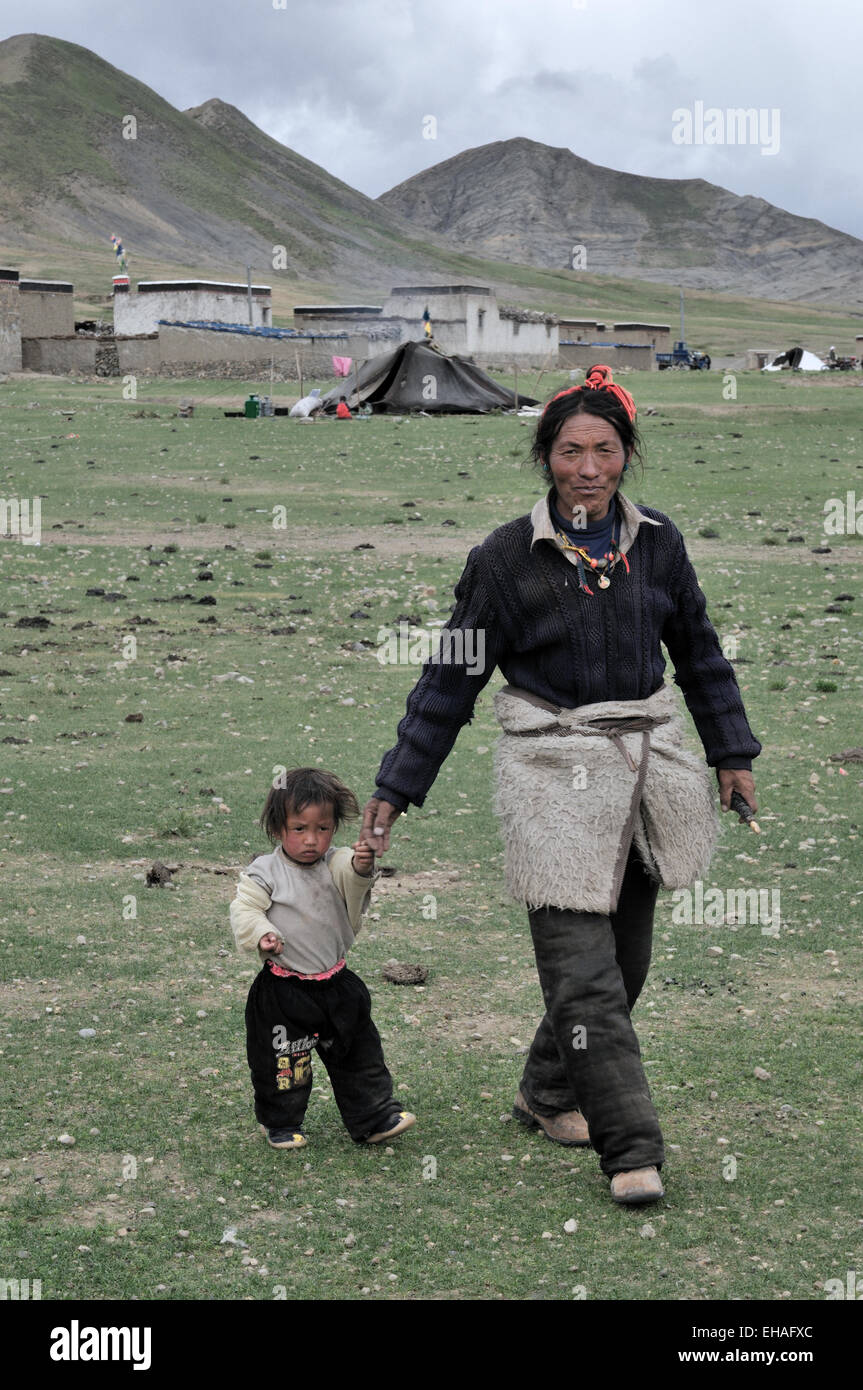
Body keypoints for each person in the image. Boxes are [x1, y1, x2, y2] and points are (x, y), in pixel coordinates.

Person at [361, 364, 760, 1206]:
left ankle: (545, 1090)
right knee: (582, 975)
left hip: (643, 769)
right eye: (570, 450)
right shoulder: (505, 560)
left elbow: (698, 653)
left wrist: (731, 753)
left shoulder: (658, 543)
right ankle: (630, 1152)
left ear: (626, 454)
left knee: (625, 964)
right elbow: (449, 680)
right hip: (549, 772)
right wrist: (396, 787)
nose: (588, 468)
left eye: (604, 450)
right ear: (545, 457)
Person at [230, 767, 415, 1150]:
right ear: (278, 828)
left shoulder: (336, 862)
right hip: (283, 991)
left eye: (323, 828)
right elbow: (245, 907)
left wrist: (363, 864)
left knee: (359, 1052)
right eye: (300, 829)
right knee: (284, 1062)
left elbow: (354, 874)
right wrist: (262, 933)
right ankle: (280, 1123)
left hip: (337, 985)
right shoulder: (265, 872)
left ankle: (374, 1117)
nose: (312, 840)